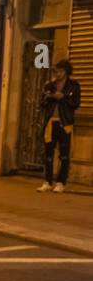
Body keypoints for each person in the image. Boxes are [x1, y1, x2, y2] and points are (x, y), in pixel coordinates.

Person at [38, 59, 80, 193]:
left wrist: (62, 97)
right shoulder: (50, 85)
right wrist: (48, 96)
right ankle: (47, 182)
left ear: (67, 72)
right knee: (48, 154)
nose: (58, 74)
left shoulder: (74, 85)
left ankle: (61, 182)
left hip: (65, 123)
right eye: (56, 71)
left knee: (64, 155)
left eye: (61, 71)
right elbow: (42, 104)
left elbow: (76, 103)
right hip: (50, 122)